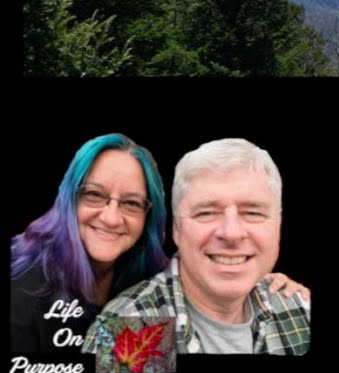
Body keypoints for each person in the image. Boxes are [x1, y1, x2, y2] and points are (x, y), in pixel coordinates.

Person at [10, 134, 308, 355]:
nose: (112, 218)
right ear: (68, 198)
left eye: (131, 203)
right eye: (94, 195)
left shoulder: (294, 307)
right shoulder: (132, 318)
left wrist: (260, 280)